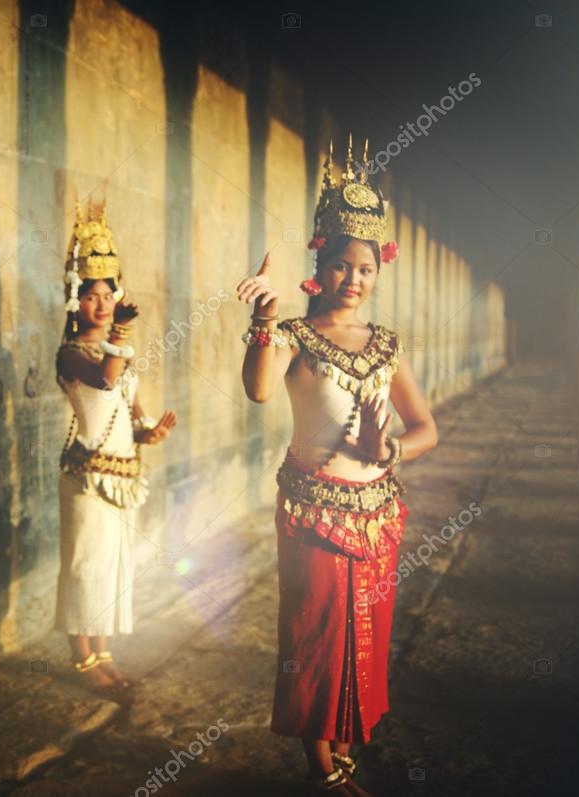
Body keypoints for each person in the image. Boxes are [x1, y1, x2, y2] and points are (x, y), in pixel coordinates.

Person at [236, 137, 439, 795]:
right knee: (316, 634)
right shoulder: (294, 335)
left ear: (378, 271)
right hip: (311, 514)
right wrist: (263, 324)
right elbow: (258, 390)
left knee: (364, 635)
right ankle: (321, 769)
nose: (353, 280)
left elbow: (425, 428)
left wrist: (388, 453)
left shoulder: (385, 345)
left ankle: (343, 758)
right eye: (342, 266)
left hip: (376, 514)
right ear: (317, 265)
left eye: (366, 269)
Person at [54, 203, 176, 697]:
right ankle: (80, 659)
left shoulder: (119, 355)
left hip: (122, 479)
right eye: (91, 298)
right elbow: (105, 384)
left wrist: (149, 433)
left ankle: (102, 653)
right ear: (74, 303)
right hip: (85, 479)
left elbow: (129, 407)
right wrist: (121, 334)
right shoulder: (73, 353)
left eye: (108, 296)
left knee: (110, 568)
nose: (102, 306)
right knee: (84, 565)